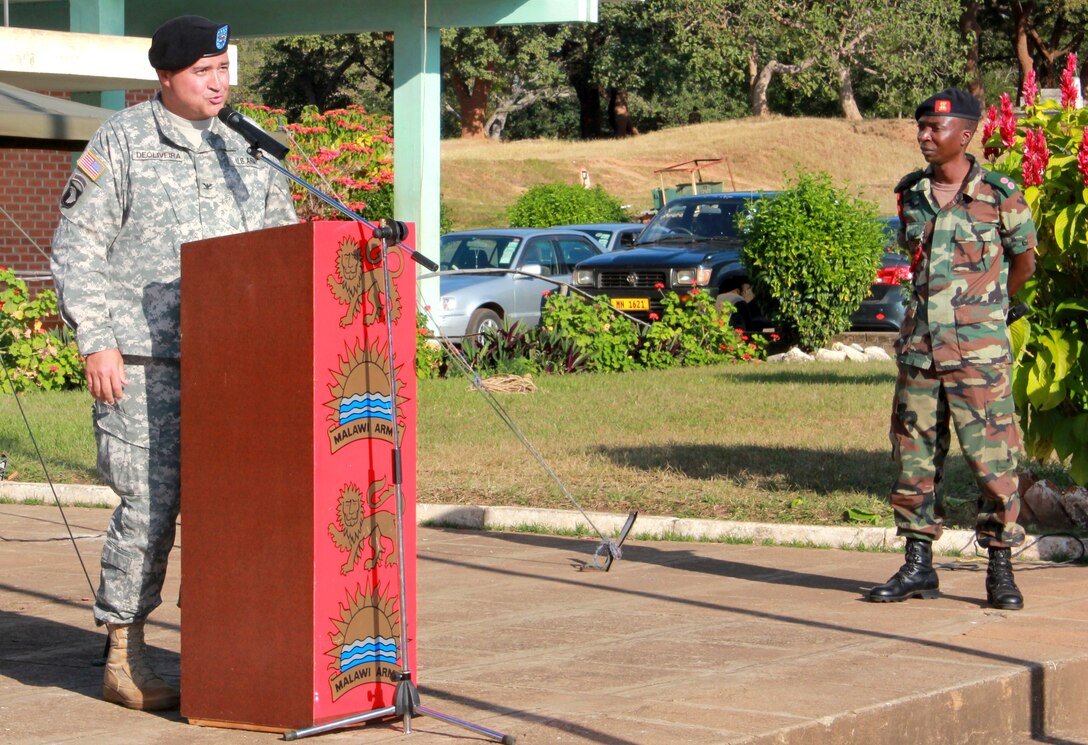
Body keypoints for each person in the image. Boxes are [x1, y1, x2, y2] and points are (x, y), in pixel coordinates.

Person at [50, 15, 297, 710]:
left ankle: (227, 647)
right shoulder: (122, 141)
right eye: (202, 72)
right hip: (143, 361)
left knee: (239, 507)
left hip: (236, 364)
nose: (218, 84)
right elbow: (77, 247)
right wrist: (96, 338)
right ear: (165, 77)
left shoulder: (247, 145)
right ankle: (124, 652)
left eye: (223, 69)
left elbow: (284, 243)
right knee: (150, 508)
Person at [868, 88, 1036, 610]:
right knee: (913, 457)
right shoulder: (911, 194)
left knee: (993, 463)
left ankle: (1000, 570)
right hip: (920, 351)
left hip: (978, 357)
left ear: (965, 135)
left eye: (934, 128)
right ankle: (918, 565)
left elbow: (1024, 260)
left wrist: (992, 310)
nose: (924, 135)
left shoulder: (999, 194)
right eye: (920, 127)